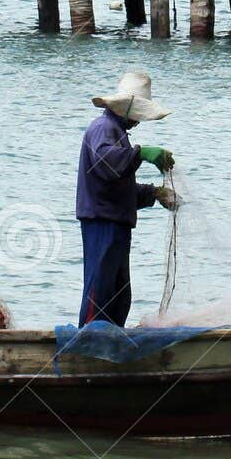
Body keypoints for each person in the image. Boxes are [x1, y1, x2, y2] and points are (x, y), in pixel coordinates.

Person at [76, 71, 178, 326]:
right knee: (99, 292)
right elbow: (106, 164)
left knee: (118, 295)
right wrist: (141, 153)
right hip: (102, 222)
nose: (139, 122)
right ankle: (87, 344)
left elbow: (119, 186)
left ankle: (109, 342)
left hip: (115, 223)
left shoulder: (117, 132)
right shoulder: (102, 128)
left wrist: (154, 193)